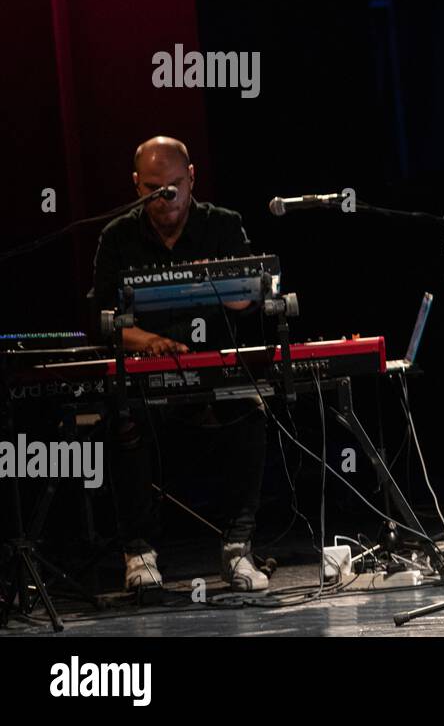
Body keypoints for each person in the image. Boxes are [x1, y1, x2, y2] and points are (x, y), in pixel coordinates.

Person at [91, 136, 269, 594]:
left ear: (191, 179)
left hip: (213, 371)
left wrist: (232, 292)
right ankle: (139, 551)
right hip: (148, 377)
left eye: (173, 187)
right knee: (124, 417)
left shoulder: (223, 226)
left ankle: (238, 546)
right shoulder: (117, 237)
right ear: (136, 185)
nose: (164, 199)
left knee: (250, 408)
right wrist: (147, 340)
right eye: (153, 189)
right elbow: (103, 321)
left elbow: (252, 299)